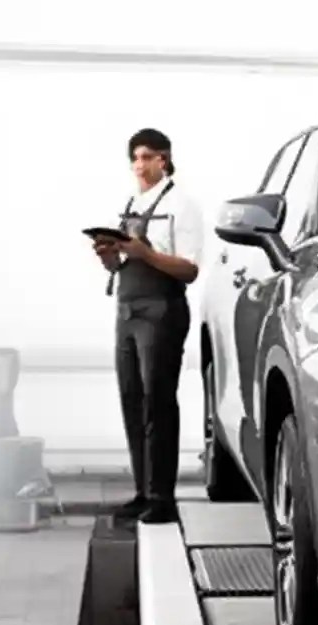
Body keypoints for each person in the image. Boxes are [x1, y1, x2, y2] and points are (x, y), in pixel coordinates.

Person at [93, 128, 203, 524]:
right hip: (126, 310)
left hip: (161, 309)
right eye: (134, 159)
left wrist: (146, 252)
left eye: (146, 157)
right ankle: (143, 490)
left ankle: (163, 498)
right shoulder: (129, 203)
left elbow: (189, 269)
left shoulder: (182, 204)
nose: (139, 166)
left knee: (158, 401)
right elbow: (122, 264)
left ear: (164, 159)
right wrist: (110, 257)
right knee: (131, 400)